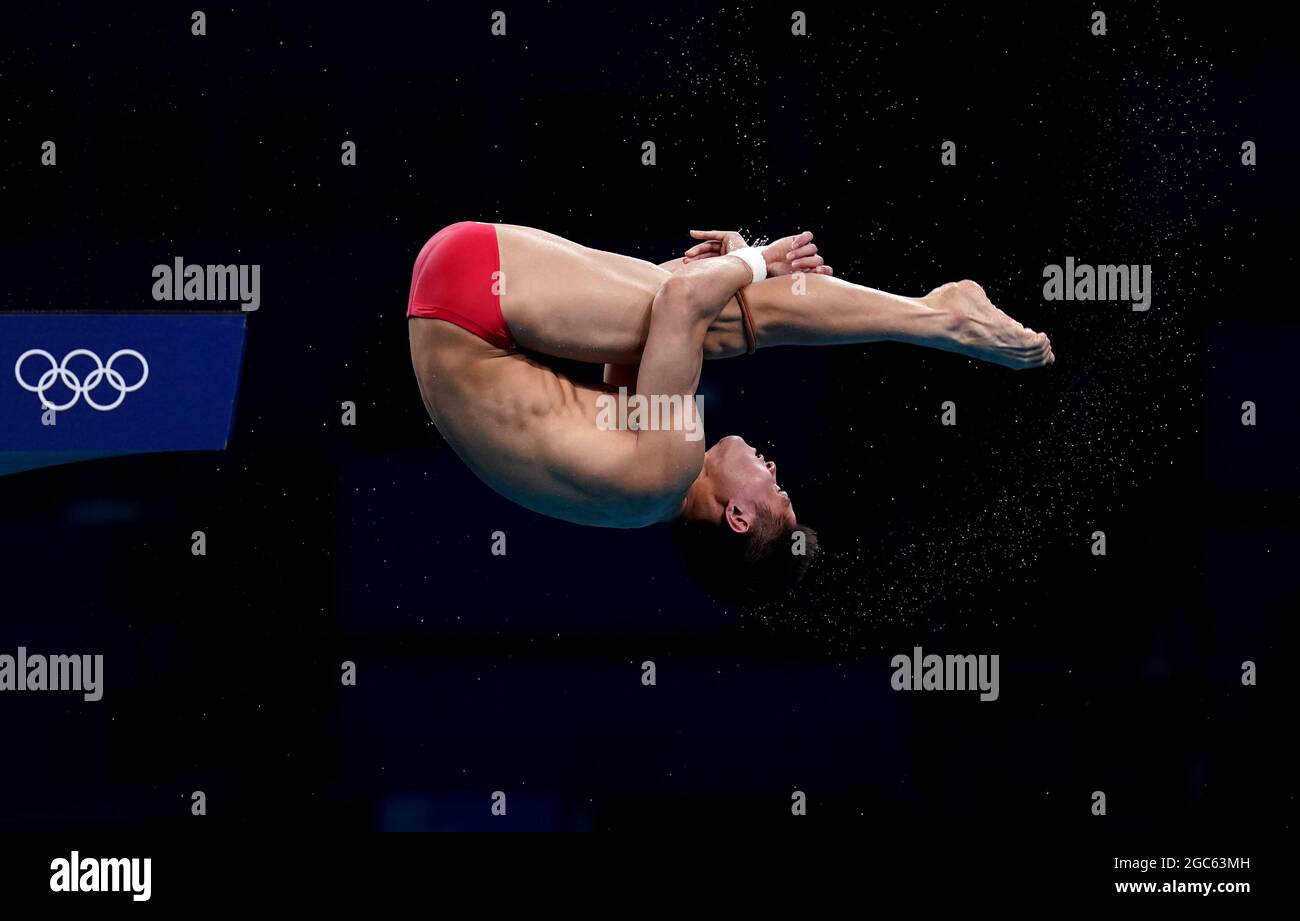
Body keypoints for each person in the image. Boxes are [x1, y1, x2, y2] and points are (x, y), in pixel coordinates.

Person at [408, 221, 1053, 602]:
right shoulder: (638, 500)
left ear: (739, 518)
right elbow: (635, 356)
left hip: (473, 293)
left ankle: (943, 320)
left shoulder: (667, 468)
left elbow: (680, 306)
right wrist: (730, 270)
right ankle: (936, 316)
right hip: (455, 305)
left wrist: (756, 264)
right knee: (708, 317)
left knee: (734, 314)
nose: (774, 468)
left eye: (778, 492)